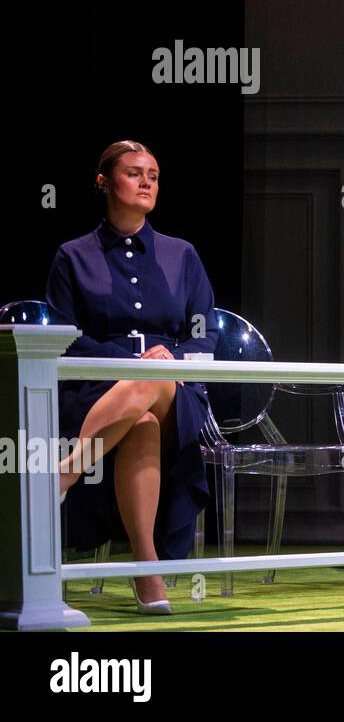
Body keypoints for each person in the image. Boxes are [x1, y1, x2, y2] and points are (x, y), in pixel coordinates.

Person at [47, 141, 219, 614]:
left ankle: (60, 479)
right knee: (139, 417)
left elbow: (204, 335)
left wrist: (174, 359)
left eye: (155, 175)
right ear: (104, 182)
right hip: (98, 391)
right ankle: (147, 570)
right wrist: (127, 363)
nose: (147, 182)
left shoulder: (181, 254)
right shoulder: (72, 255)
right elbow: (66, 337)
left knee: (155, 378)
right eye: (134, 173)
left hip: (175, 391)